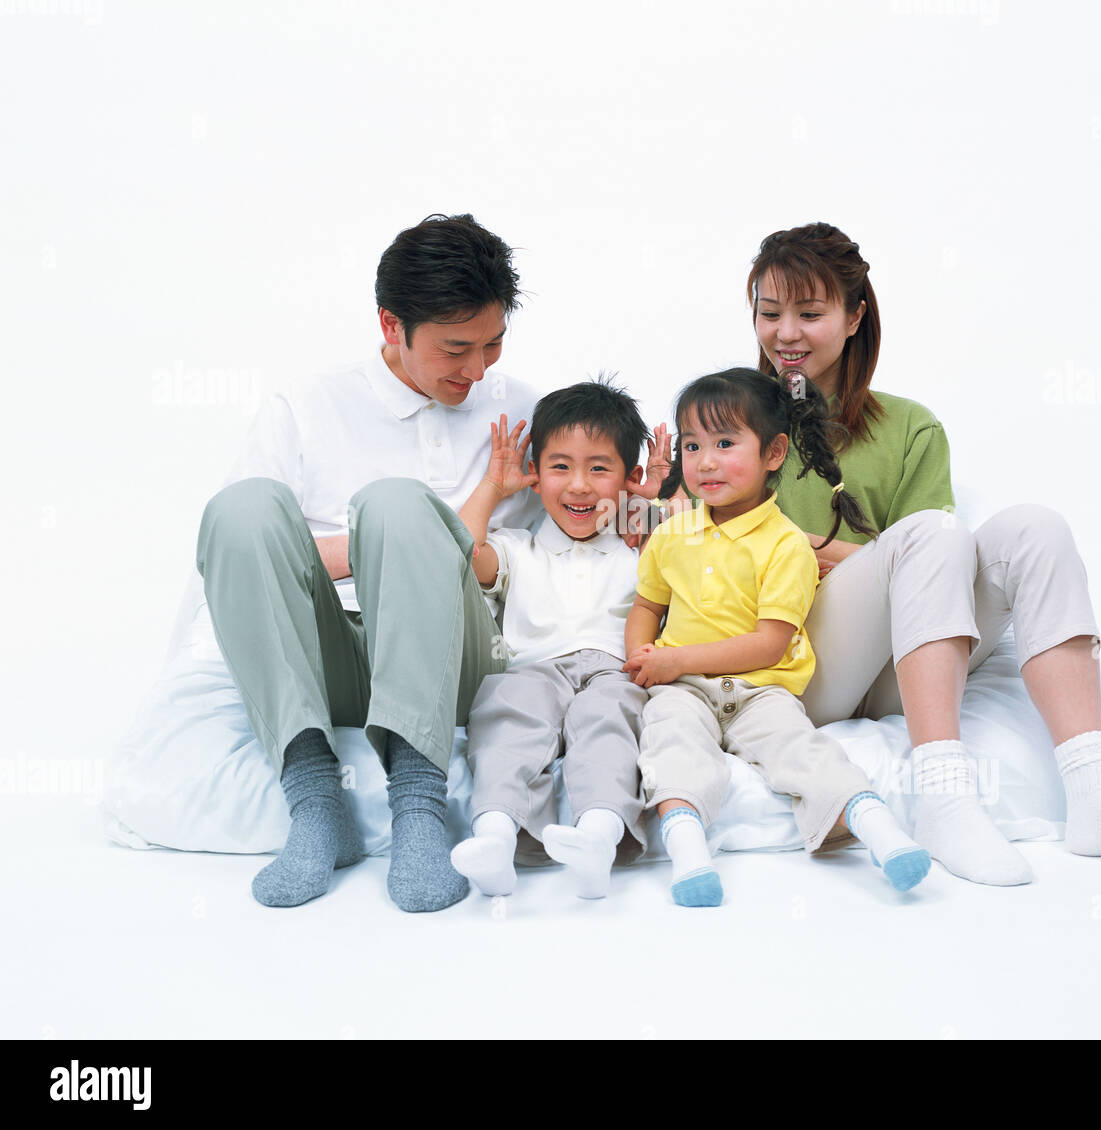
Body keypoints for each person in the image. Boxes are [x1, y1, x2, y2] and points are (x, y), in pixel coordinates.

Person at [745, 221, 1101, 886]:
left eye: (809, 312)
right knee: (935, 537)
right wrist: (855, 556)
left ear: (856, 317)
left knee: (1034, 527)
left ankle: (1096, 790)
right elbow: (707, 547)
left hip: (899, 671)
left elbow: (926, 572)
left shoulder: (910, 426)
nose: (785, 333)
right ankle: (945, 796)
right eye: (769, 313)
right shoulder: (730, 418)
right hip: (793, 663)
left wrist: (831, 550)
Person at [195, 213, 545, 912]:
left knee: (395, 504)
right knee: (239, 508)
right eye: (455, 349)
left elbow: (561, 544)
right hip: (329, 660)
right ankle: (315, 801)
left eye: (493, 344)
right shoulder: (307, 407)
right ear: (392, 326)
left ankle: (419, 806)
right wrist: (385, 550)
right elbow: (242, 554)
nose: (476, 371)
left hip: (459, 658)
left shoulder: (525, 413)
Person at [625, 368, 932, 908]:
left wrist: (676, 659)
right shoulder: (671, 533)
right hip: (681, 688)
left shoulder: (786, 544)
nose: (706, 461)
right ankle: (690, 853)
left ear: (774, 453)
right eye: (692, 446)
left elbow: (770, 644)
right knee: (670, 746)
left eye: (725, 443)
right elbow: (647, 606)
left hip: (761, 690)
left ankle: (880, 830)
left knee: (804, 752)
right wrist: (639, 657)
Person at [449, 380, 670, 900]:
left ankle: (598, 835)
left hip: (614, 671)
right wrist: (492, 489)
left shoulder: (644, 545)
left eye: (599, 468)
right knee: (504, 716)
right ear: (535, 476)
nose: (578, 485)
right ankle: (496, 837)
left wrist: (654, 504)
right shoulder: (518, 548)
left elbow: (701, 546)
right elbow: (457, 551)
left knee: (608, 721)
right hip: (532, 670)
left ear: (628, 478)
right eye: (560, 467)